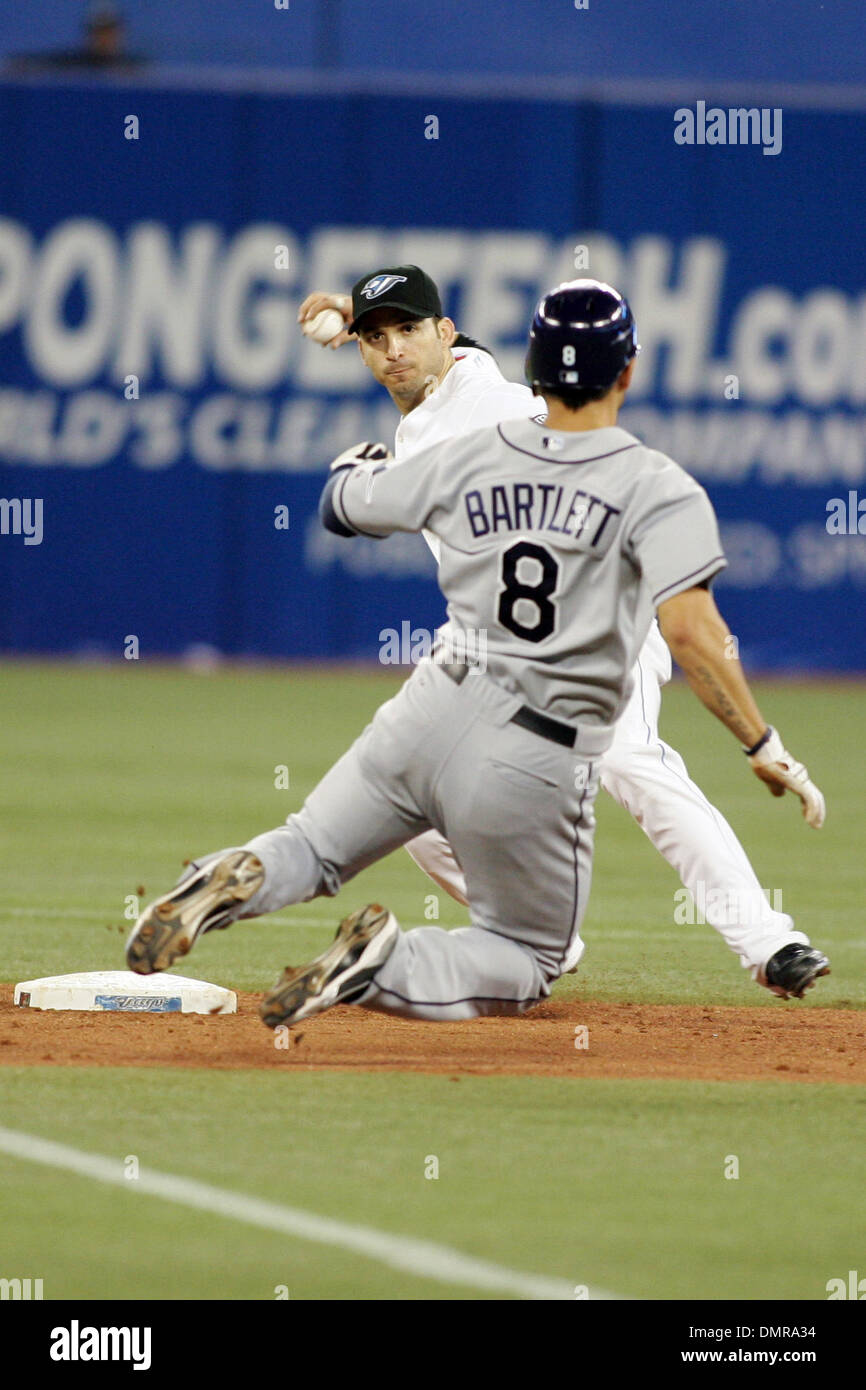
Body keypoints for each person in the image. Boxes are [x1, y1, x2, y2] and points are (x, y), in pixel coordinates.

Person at [126, 280, 829, 1027]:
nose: (393, 348)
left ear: (452, 335)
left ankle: (767, 940)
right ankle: (511, 934)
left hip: (588, 650)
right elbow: (697, 623)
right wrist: (760, 741)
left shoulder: (479, 417)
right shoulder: (476, 413)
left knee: (623, 765)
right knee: (431, 824)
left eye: (409, 332)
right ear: (625, 372)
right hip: (506, 677)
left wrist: (353, 451)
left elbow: (347, 505)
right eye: (377, 337)